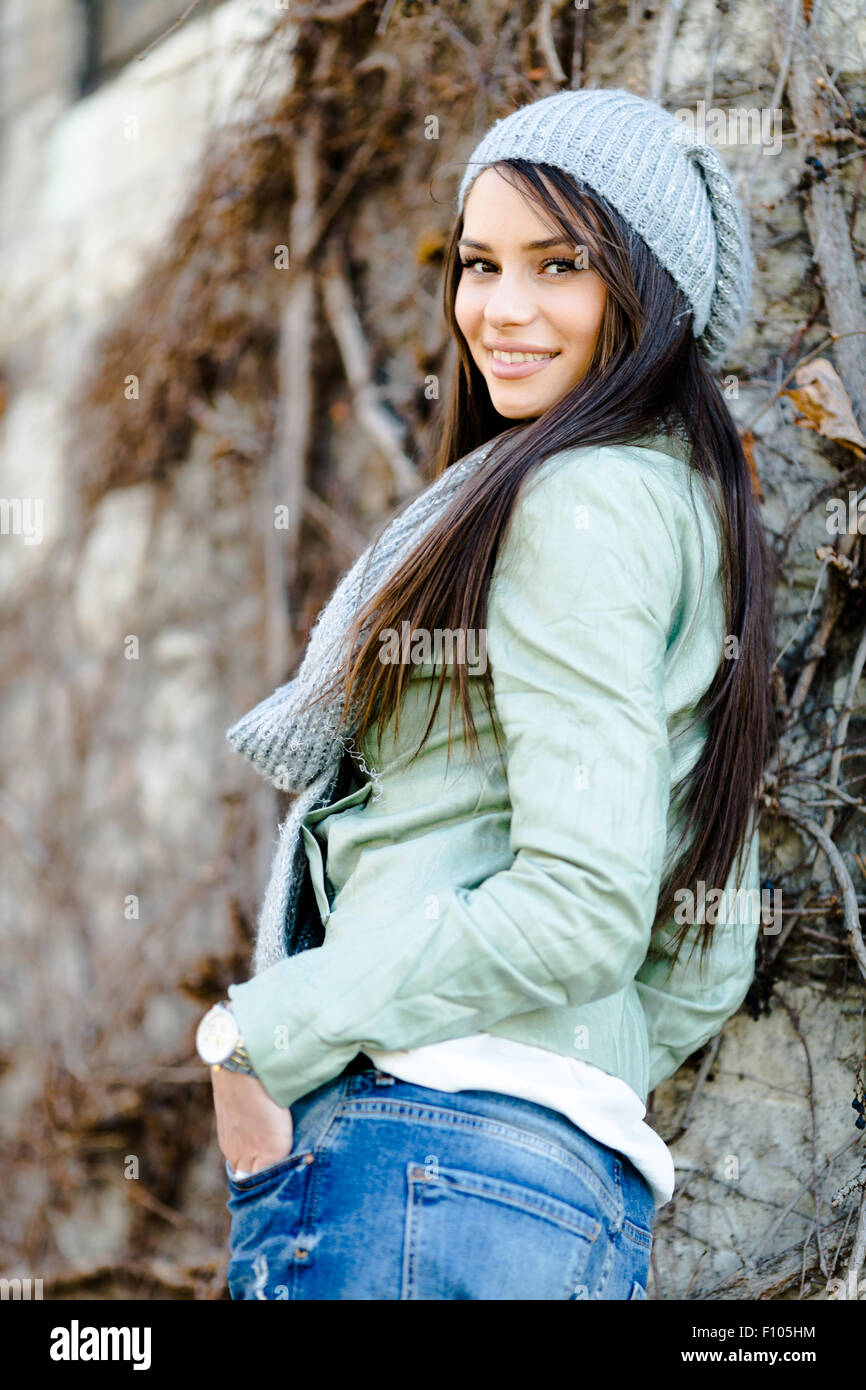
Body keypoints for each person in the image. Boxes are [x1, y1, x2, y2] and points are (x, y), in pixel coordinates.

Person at [196, 87, 773, 1301]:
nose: (499, 311)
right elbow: (702, 945)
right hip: (553, 1193)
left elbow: (583, 902)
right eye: (477, 264)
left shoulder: (575, 501)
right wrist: (559, 1083)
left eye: (557, 265)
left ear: (645, 286)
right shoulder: (680, 513)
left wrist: (264, 1030)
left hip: (419, 1158)